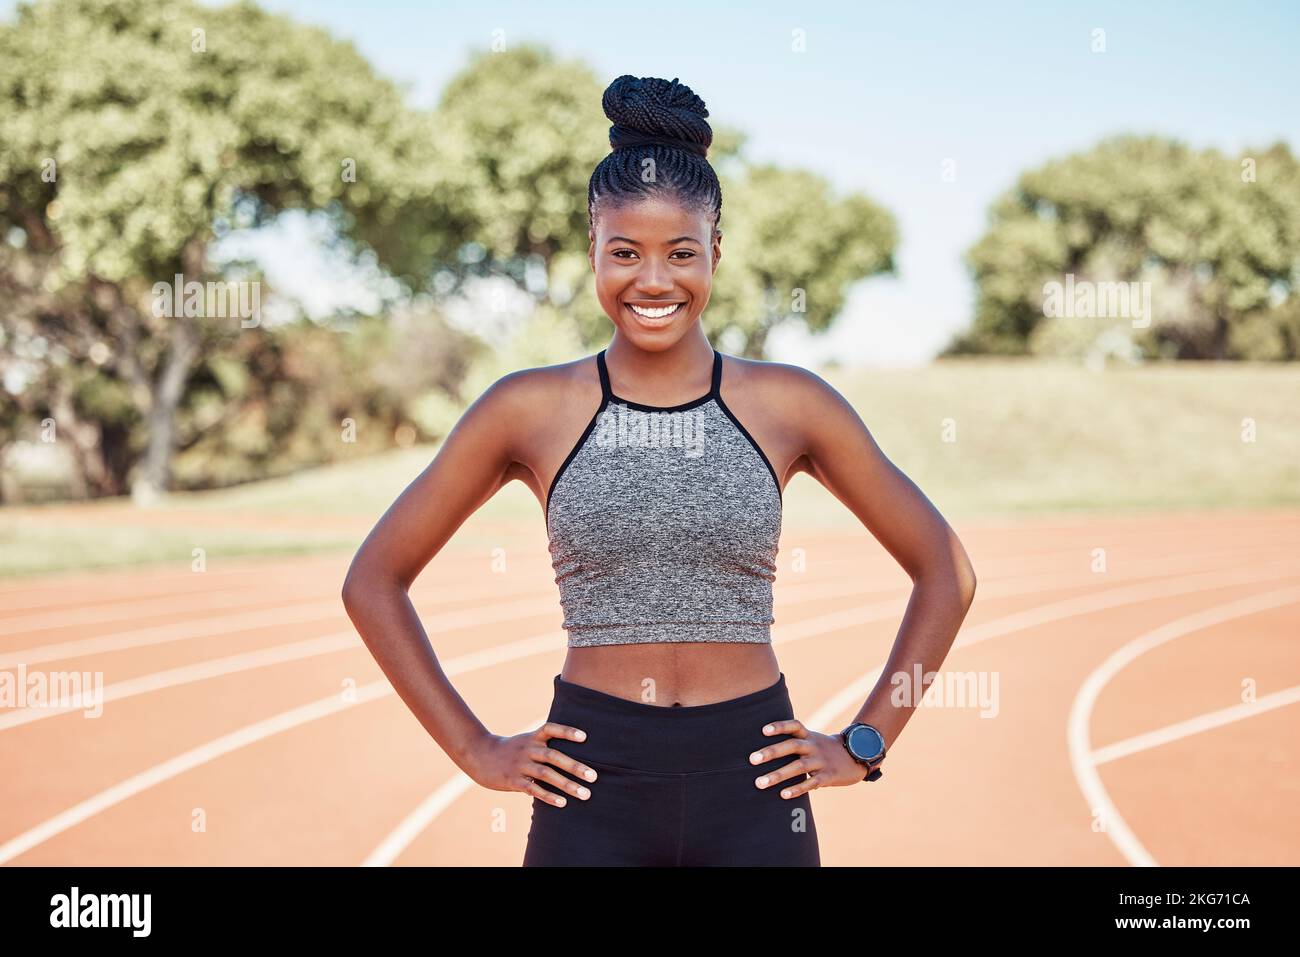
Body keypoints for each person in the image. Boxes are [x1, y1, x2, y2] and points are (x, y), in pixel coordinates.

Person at [341, 74, 978, 867]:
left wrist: (865, 740)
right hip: (589, 787)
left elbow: (946, 570)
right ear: (591, 251)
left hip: (755, 783)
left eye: (681, 252)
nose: (652, 281)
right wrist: (475, 748)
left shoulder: (791, 404)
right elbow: (373, 580)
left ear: (716, 251)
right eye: (624, 253)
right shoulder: (528, 409)